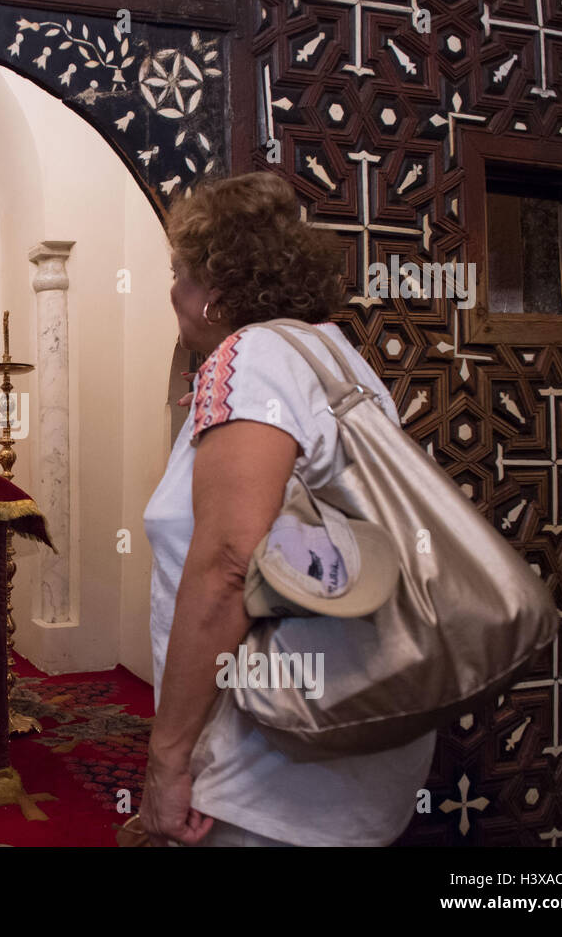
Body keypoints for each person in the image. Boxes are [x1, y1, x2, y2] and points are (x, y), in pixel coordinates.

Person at [140, 172, 436, 847]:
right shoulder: (334, 357)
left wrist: (167, 758)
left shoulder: (250, 356)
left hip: (273, 771)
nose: (170, 292)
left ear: (214, 290)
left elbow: (228, 563)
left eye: (179, 273)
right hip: (357, 742)